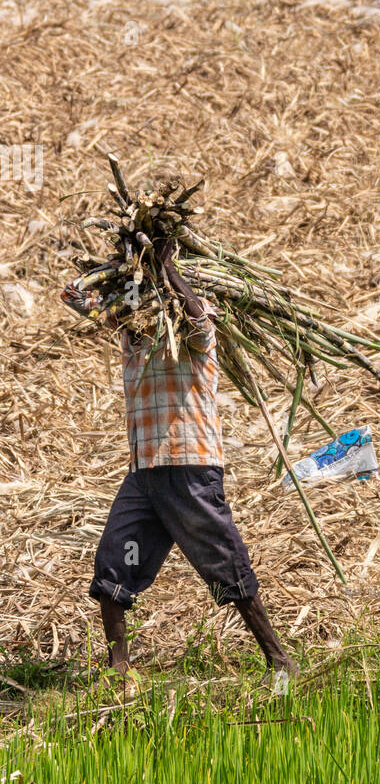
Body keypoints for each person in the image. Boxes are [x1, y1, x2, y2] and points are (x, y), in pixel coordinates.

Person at [65, 242, 296, 688]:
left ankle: (279, 660)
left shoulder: (193, 333)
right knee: (114, 564)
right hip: (145, 476)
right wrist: (96, 284)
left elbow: (195, 317)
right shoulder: (131, 333)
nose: (136, 320)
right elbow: (90, 305)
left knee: (224, 564)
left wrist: (167, 268)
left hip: (190, 468)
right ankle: (119, 671)